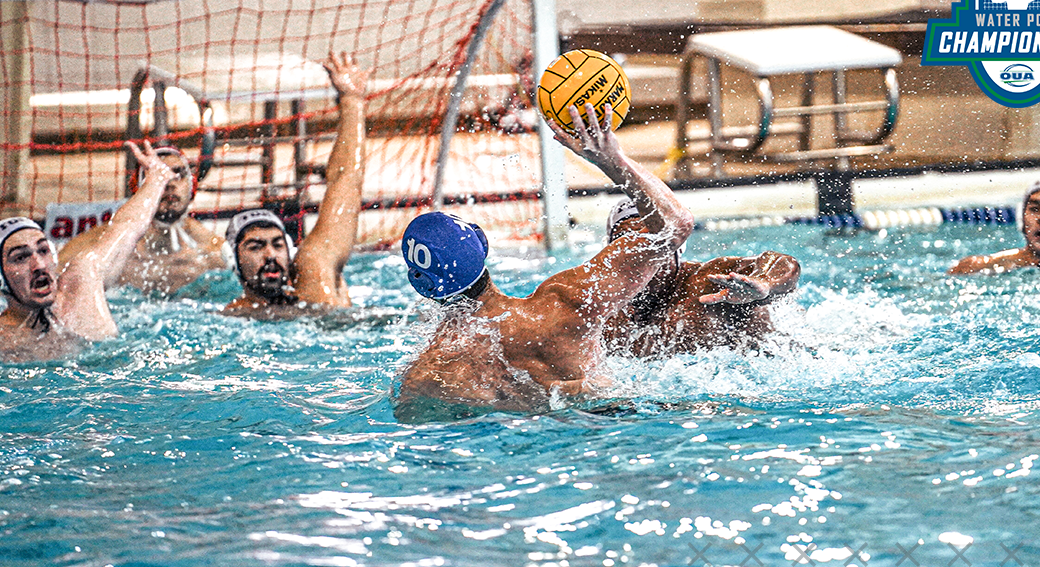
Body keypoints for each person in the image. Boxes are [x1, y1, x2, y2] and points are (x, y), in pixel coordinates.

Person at [394, 103, 694, 418]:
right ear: (482, 246)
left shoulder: (426, 377)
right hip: (620, 419)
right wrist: (612, 161)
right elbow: (676, 224)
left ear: (421, 284)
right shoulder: (565, 302)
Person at [223, 51, 371, 317]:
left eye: (278, 245)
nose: (271, 255)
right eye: (255, 247)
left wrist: (352, 101)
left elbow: (346, 181)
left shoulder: (315, 274)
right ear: (234, 260)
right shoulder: (231, 317)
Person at [0, 141, 176, 361]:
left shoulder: (83, 283)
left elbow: (127, 227)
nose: (39, 265)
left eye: (43, 251)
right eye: (20, 258)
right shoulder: (4, 344)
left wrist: (157, 178)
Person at [600, 198, 800, 358]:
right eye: (626, 242)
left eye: (656, 241)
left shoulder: (709, 281)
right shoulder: (600, 309)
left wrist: (764, 282)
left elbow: (780, 262)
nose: (643, 252)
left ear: (677, 248)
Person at [57, 147, 227, 295]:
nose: (168, 183)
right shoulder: (97, 245)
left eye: (178, 174)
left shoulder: (214, 252)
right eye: (155, 175)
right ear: (139, 189)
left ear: (192, 187)